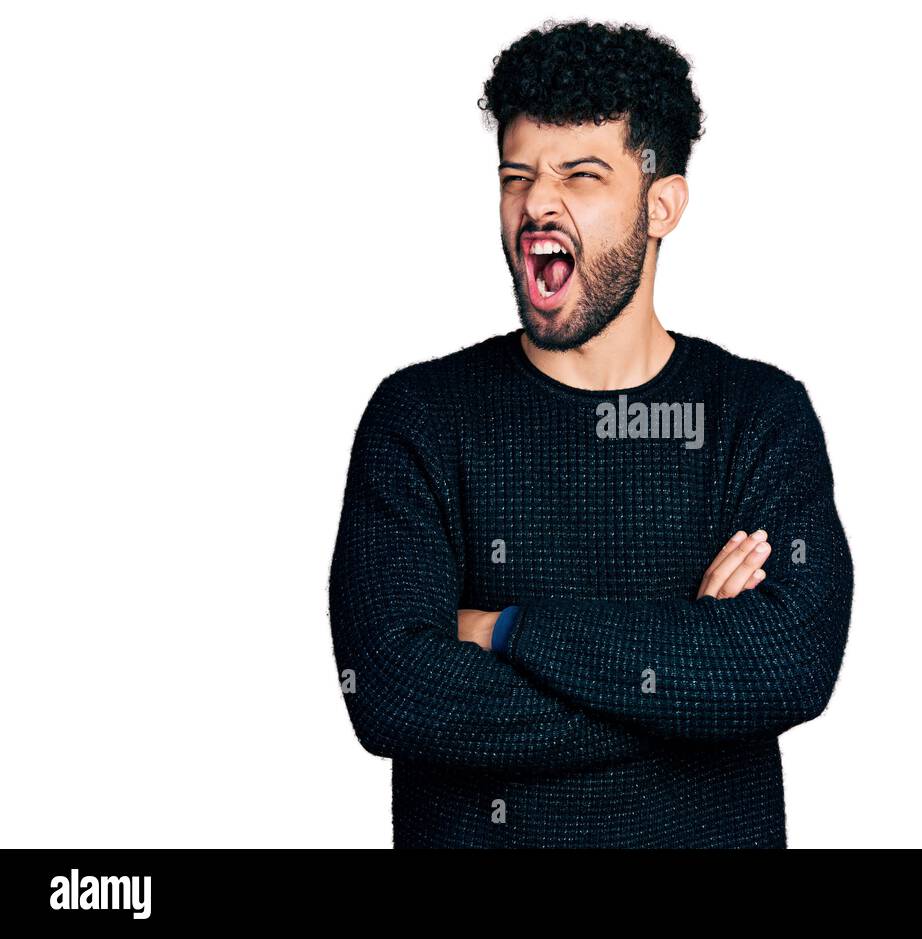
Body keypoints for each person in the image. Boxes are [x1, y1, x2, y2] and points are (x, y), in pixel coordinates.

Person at [329, 18, 854, 848]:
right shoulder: (420, 418)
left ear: (662, 204)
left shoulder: (760, 417)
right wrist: (690, 682)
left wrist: (503, 630)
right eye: (517, 176)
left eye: (580, 175)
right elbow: (395, 691)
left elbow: (788, 666)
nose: (538, 202)